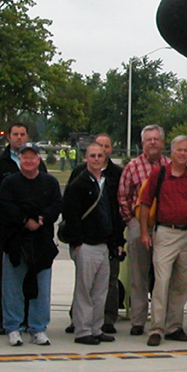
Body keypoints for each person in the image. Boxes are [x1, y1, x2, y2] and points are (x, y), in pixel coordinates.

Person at [0, 142, 62, 347]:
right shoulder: (10, 182)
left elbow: (57, 204)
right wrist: (25, 220)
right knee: (12, 287)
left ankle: (38, 327)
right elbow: (5, 205)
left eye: (33, 157)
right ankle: (13, 328)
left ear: (38, 159)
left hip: (41, 241)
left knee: (41, 287)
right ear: (20, 159)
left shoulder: (50, 182)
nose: (29, 161)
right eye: (25, 157)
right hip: (16, 241)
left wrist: (43, 218)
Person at [61, 143, 124, 345]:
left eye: (100, 155)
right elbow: (70, 215)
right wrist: (77, 242)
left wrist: (116, 241)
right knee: (84, 291)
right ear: (86, 158)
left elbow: (114, 214)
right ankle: (82, 330)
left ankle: (96, 328)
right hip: (86, 245)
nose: (97, 159)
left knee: (100, 291)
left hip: (104, 245)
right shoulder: (78, 185)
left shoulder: (107, 183)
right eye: (93, 155)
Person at [140, 136, 187, 347]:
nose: (182, 154)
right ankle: (156, 328)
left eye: (186, 150)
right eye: (179, 150)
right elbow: (145, 203)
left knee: (182, 283)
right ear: (171, 152)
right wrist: (145, 233)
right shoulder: (160, 173)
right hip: (165, 233)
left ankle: (174, 326)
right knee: (162, 282)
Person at [0, 122, 47, 334]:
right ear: (9, 137)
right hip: (6, 230)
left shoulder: (37, 163)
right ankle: (0, 319)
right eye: (15, 134)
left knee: (30, 273)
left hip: (33, 233)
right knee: (3, 275)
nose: (19, 137)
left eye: (23, 134)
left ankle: (25, 319)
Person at [117, 124, 169, 335]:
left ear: (163, 143)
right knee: (139, 276)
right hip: (139, 225)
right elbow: (123, 196)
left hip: (165, 227)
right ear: (142, 143)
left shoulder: (171, 165)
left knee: (163, 276)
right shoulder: (132, 167)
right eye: (149, 139)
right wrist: (132, 222)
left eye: (156, 139)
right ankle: (138, 320)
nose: (153, 142)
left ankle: (161, 319)